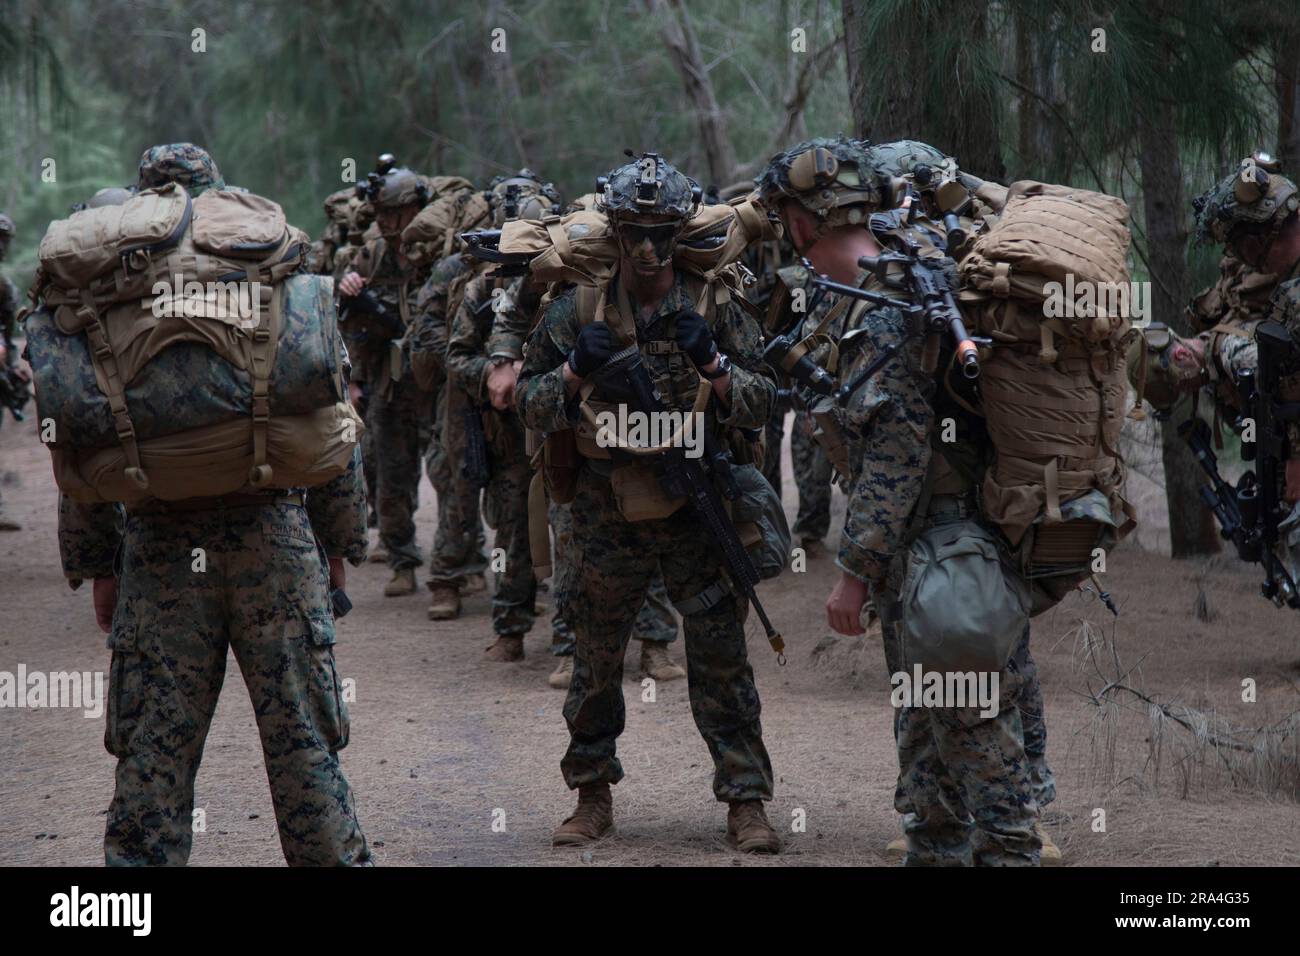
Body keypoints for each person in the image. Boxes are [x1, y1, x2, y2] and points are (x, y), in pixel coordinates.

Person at [50, 144, 371, 865]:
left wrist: (100, 564)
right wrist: (339, 547)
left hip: (161, 548)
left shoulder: (111, 279)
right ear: (216, 190)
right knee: (304, 748)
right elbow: (327, 409)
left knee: (152, 760)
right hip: (274, 536)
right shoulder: (261, 262)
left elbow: (83, 428)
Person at [758, 137, 1041, 865]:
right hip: (932, 545)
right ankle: (934, 844)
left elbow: (898, 450)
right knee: (923, 712)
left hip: (943, 540)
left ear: (803, 221)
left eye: (787, 211)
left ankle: (1006, 849)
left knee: (967, 716)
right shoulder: (869, 286)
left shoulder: (883, 304)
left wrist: (854, 568)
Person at [516, 153, 781, 853]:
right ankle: (591, 793)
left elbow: (762, 402)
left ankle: (746, 799)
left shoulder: (715, 302)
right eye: (634, 230)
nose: (647, 247)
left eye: (661, 231)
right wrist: (575, 371)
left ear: (679, 230)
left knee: (721, 656)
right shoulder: (578, 307)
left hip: (695, 500)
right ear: (616, 228)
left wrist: (715, 368)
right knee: (596, 657)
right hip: (604, 503)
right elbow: (528, 401)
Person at [337, 165, 437, 597]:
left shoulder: (437, 249)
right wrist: (347, 291)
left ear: (415, 209)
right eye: (380, 212)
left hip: (435, 376)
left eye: (393, 212)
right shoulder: (371, 255)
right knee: (391, 472)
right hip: (390, 379)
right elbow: (348, 327)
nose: (384, 220)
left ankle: (462, 564)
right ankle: (402, 560)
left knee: (451, 471)